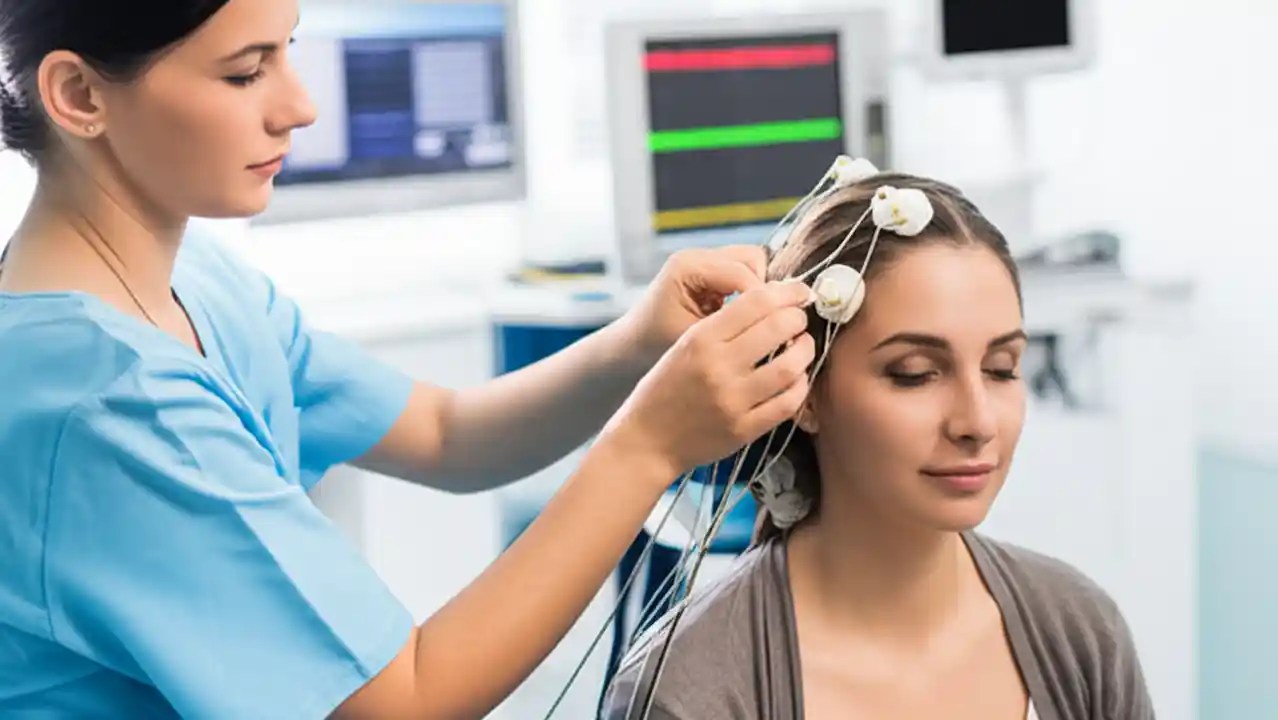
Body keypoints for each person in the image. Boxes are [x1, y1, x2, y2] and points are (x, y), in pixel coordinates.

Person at [0, 1, 818, 717]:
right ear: (78, 95)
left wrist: (637, 343)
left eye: (288, 48)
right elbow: (400, 701)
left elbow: (444, 433)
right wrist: (650, 445)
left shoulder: (194, 281)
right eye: (246, 74)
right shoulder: (94, 403)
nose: (301, 106)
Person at [603, 174, 1156, 719]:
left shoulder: (1080, 633)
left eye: (1001, 368)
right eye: (914, 374)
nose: (977, 422)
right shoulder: (692, 691)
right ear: (805, 391)